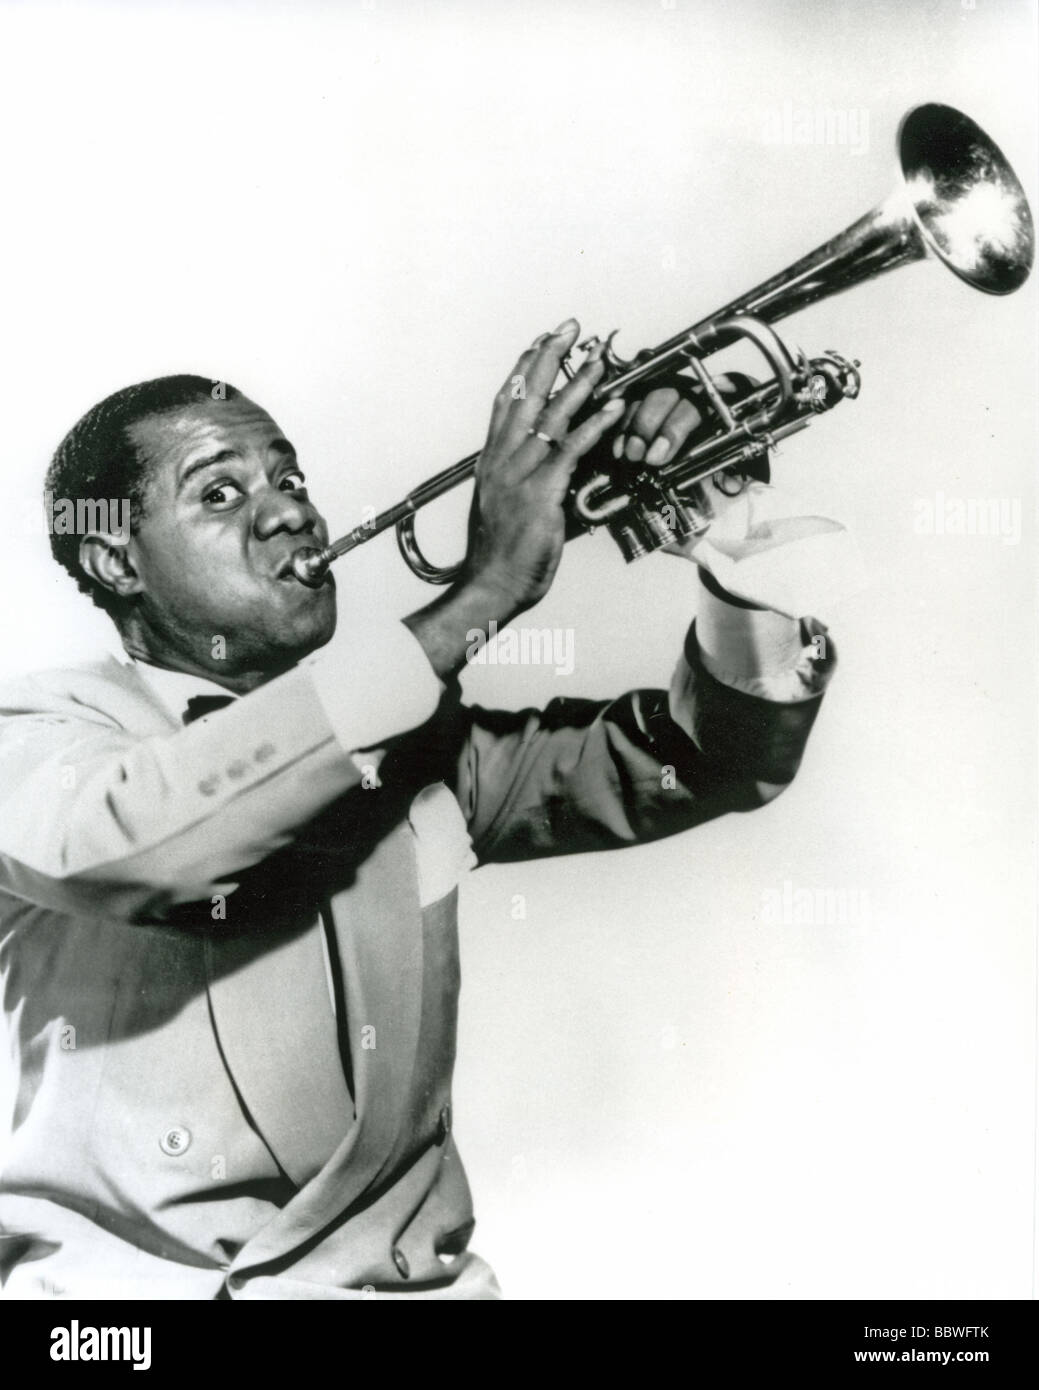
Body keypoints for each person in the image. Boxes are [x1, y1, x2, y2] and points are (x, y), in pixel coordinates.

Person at [0, 319, 839, 1299]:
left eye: (291, 479)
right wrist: (480, 596)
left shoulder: (415, 750)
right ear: (114, 564)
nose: (288, 516)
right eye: (220, 492)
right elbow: (131, 842)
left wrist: (730, 557)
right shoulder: (42, 734)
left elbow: (706, 766)